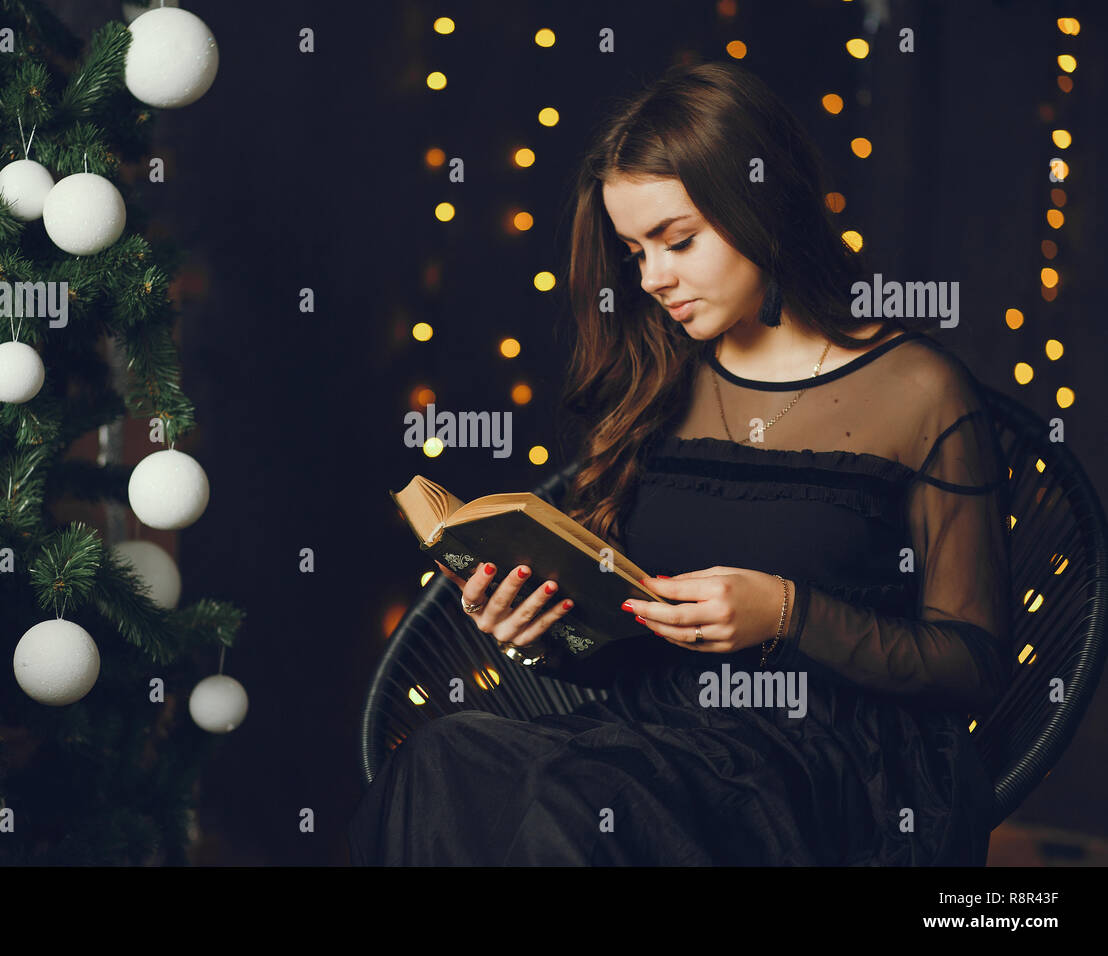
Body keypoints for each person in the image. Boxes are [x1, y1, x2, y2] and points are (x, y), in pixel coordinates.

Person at [348, 60, 1014, 866]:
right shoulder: (656, 381)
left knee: (574, 802)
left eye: (678, 241)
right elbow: (628, 643)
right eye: (633, 252)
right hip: (651, 742)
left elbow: (972, 664)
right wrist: (537, 636)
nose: (653, 278)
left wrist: (786, 616)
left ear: (762, 206)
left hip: (824, 763)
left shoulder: (918, 391)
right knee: (441, 758)